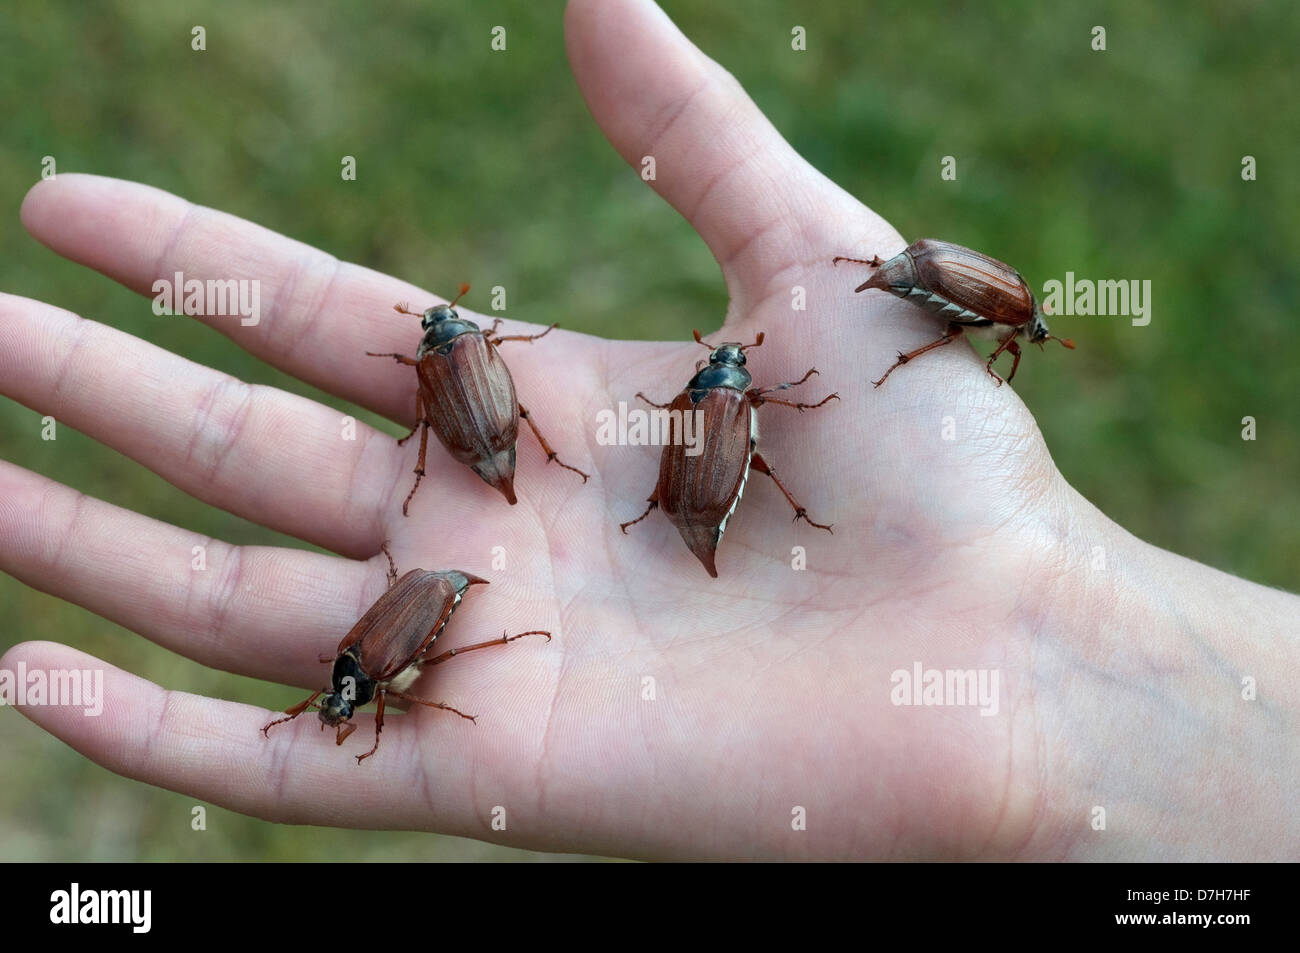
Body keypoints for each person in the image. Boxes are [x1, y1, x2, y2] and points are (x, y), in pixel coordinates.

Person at [0, 0, 1295, 861]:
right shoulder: (398, 605)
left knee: (711, 463)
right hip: (603, 478)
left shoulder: (713, 405)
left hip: (647, 480)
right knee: (688, 466)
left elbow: (716, 427)